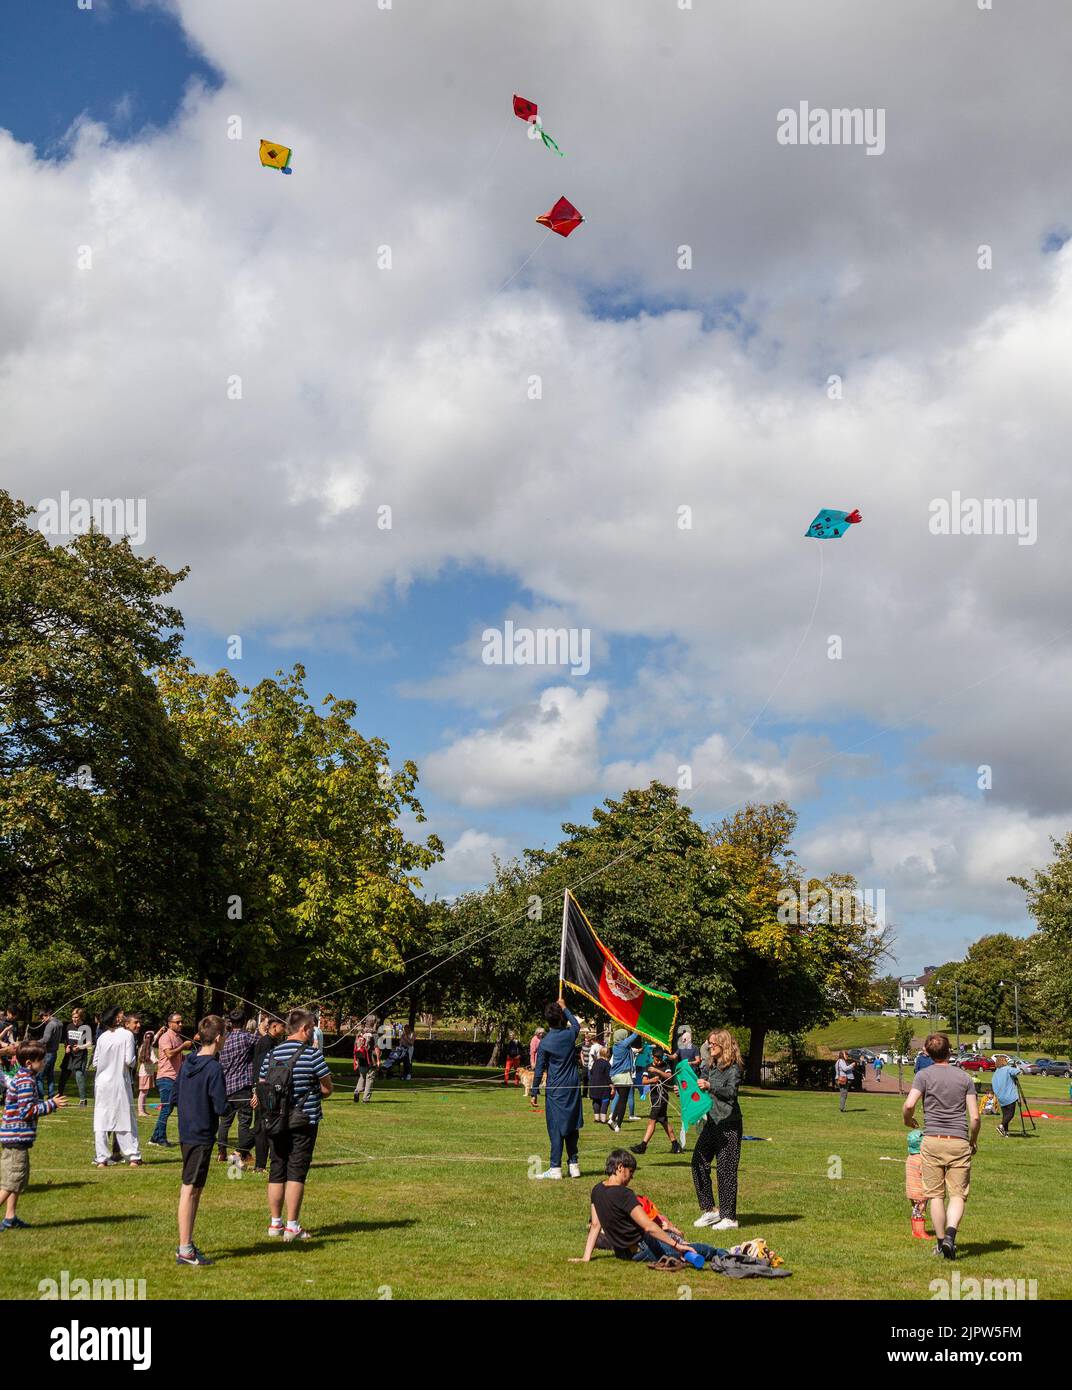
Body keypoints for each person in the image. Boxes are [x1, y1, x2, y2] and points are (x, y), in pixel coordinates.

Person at [253, 1007, 332, 1241]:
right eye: (312, 1028)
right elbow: (327, 1089)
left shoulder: (273, 1054)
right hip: (303, 1120)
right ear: (305, 1028)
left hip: (275, 1120)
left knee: (277, 1168)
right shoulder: (312, 1055)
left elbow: (262, 1084)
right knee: (296, 1171)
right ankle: (292, 1225)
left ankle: (274, 1223)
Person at [902, 1032, 979, 1261]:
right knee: (957, 1195)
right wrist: (972, 1140)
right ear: (949, 1051)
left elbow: (909, 1105)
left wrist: (908, 1120)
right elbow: (974, 1118)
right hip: (958, 1141)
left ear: (928, 1052)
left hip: (932, 1140)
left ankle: (939, 1242)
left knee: (935, 1195)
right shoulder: (964, 1078)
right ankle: (950, 1237)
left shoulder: (923, 1075)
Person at [572, 1149, 719, 1267]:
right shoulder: (624, 1194)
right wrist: (676, 1246)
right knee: (697, 1249)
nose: (631, 1178)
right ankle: (727, 1253)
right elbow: (648, 1226)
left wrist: (586, 1257)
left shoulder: (596, 1190)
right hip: (642, 1249)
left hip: (621, 1253)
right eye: (630, 1172)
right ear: (620, 1167)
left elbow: (595, 1226)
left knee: (680, 1243)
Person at [173, 1014, 229, 1266]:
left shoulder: (187, 1063)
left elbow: (175, 1095)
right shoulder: (214, 1067)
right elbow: (220, 1106)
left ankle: (188, 1244)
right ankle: (184, 1249)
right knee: (189, 1189)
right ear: (218, 1038)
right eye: (224, 1035)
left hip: (187, 1132)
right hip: (201, 1133)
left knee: (194, 1189)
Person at [0, 1040, 67, 1228]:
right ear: (29, 1063)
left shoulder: (24, 1077)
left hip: (17, 1138)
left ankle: (10, 1218)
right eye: (41, 1060)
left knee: (18, 1179)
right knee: (12, 1181)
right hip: (16, 1138)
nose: (44, 1063)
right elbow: (26, 1111)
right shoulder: (25, 1081)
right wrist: (52, 1104)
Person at [691, 1028, 744, 1232]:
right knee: (698, 1162)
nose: (709, 1047)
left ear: (724, 1045)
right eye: (709, 1044)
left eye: (713, 1044)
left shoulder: (734, 1068)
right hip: (711, 1123)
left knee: (726, 1170)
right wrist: (684, 1090)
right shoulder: (709, 1066)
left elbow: (731, 1093)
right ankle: (710, 1210)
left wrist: (710, 1085)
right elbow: (699, 1087)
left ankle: (729, 1217)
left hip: (729, 1124)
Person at [531, 998, 584, 1180]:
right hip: (572, 1088)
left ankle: (555, 1168)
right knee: (571, 1126)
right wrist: (565, 1007)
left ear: (547, 1020)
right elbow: (576, 1024)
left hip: (556, 1090)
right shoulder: (570, 1035)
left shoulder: (545, 1042)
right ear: (561, 1017)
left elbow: (539, 1070)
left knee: (556, 1128)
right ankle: (574, 1164)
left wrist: (534, 1091)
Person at [91, 1007, 142, 1167]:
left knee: (101, 1119)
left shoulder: (102, 1038)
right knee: (125, 1117)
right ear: (117, 1019)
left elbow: (95, 1062)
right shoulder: (127, 1035)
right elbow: (129, 1060)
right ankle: (133, 1156)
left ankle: (101, 1159)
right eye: (120, 1014)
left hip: (102, 1083)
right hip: (119, 1081)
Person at [216, 1009, 257, 1168]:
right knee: (244, 1122)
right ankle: (243, 1154)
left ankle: (221, 1153)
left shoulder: (223, 1041)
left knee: (224, 1122)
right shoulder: (248, 1038)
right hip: (242, 1086)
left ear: (231, 1023)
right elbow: (263, 1041)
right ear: (245, 1022)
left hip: (226, 1087)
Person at [630, 1046, 683, 1155]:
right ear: (652, 1057)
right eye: (656, 1059)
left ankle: (643, 1146)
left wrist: (657, 1071)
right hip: (653, 1097)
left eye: (660, 1059)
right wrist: (652, 1080)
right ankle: (675, 1145)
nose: (658, 1061)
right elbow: (644, 1081)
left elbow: (669, 1077)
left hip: (662, 1097)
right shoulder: (648, 1067)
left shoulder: (665, 1066)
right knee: (663, 1121)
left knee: (652, 1120)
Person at [149, 1012, 191, 1148]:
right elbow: (170, 1054)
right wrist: (183, 1047)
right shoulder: (166, 1037)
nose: (181, 1024)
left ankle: (155, 1137)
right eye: (177, 1022)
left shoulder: (178, 1038)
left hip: (175, 1078)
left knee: (168, 1108)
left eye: (181, 1022)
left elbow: (179, 1057)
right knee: (166, 1109)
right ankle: (161, 1138)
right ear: (169, 1024)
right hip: (166, 1077)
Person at [250, 1015, 285, 1174]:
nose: (285, 1030)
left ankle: (269, 1160)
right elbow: (260, 1068)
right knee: (262, 1127)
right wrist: (257, 1091)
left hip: (267, 1089)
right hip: (264, 1090)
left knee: (268, 1125)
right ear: (275, 1026)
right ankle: (260, 1164)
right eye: (283, 1027)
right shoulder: (266, 1043)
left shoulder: (271, 1042)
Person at [58, 1007, 93, 1106]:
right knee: (63, 1076)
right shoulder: (69, 1026)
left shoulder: (86, 1028)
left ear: (81, 1017)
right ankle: (58, 1096)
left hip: (80, 1055)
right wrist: (66, 1047)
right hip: (69, 1055)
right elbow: (66, 1040)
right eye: (73, 1017)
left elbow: (89, 1044)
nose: (75, 1019)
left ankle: (83, 1100)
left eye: (77, 1017)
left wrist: (80, 1047)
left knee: (79, 1076)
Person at [607, 1028, 638, 1133]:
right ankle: (617, 1124)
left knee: (621, 1099)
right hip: (623, 1076)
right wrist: (639, 1027)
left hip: (616, 1076)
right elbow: (634, 1035)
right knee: (623, 1102)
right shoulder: (623, 1045)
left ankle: (613, 1119)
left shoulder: (615, 1046)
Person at [36, 1008, 64, 1100]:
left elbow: (45, 1040)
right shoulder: (59, 1024)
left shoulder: (50, 1025)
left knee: (39, 1076)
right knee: (50, 1076)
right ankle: (51, 1096)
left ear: (47, 1015)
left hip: (47, 1053)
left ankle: (40, 1097)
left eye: (42, 1017)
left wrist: (34, 1042)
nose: (42, 1020)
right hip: (54, 1053)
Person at [991, 1055, 1022, 1137]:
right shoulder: (1007, 1069)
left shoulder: (996, 1072)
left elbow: (994, 1085)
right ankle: (1001, 1126)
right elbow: (1017, 1072)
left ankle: (1005, 1132)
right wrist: (1016, 1066)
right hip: (1009, 1096)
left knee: (1005, 1115)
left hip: (1001, 1097)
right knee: (1010, 1114)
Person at [353, 1022, 379, 1103]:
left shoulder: (360, 1033)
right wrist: (378, 1060)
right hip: (371, 1060)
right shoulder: (374, 1035)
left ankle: (357, 1091)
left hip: (361, 1058)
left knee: (362, 1077)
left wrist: (356, 1060)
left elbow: (355, 1047)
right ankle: (366, 1099)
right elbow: (376, 1048)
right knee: (369, 1079)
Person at [588, 1043, 612, 1122]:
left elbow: (591, 1072)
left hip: (593, 1084)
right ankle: (603, 1119)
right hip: (603, 1086)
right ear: (607, 1054)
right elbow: (608, 1076)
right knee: (605, 1100)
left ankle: (597, 1118)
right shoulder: (607, 1064)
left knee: (596, 1100)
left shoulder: (595, 1062)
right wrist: (612, 1086)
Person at [136, 1029, 157, 1117]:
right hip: (146, 1074)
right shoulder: (150, 1049)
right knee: (143, 1093)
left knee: (144, 1092)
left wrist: (159, 1031)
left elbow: (154, 1037)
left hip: (145, 1073)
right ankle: (141, 1111)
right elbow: (154, 1060)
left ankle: (143, 1110)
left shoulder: (143, 1047)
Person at [580, 1031, 596, 1099]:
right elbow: (581, 1053)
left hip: (591, 1067)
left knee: (591, 1081)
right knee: (584, 1080)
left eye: (587, 1040)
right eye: (585, 1040)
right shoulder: (583, 1047)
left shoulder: (592, 1047)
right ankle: (584, 1094)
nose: (586, 1041)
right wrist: (583, 1061)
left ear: (589, 1041)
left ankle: (591, 1095)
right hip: (585, 1066)